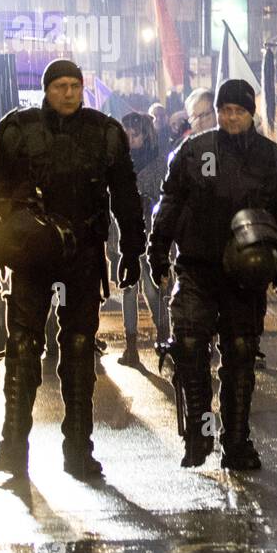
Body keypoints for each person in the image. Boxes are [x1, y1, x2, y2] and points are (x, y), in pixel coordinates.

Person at [0, 59, 145, 479]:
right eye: (61, 86)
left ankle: (78, 448)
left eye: (75, 85)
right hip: (30, 255)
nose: (69, 93)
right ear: (47, 90)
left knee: (80, 348)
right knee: (23, 347)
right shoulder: (18, 131)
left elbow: (125, 194)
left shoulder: (104, 133)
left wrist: (133, 249)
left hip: (83, 255)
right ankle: (13, 445)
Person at [147, 79, 277, 470]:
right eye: (225, 110)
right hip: (197, 266)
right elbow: (170, 202)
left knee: (239, 354)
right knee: (188, 344)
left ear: (251, 113)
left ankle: (236, 442)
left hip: (245, 274)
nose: (231, 117)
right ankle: (200, 431)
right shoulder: (193, 152)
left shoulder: (274, 158)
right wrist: (157, 248)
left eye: (239, 110)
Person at [118, 112, 169, 367]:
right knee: (128, 287)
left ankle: (163, 335)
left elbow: (166, 197)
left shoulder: (158, 163)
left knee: (152, 288)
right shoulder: (119, 162)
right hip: (125, 233)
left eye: (134, 133)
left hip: (150, 233)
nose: (130, 138)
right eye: (125, 133)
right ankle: (131, 346)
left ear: (145, 134)